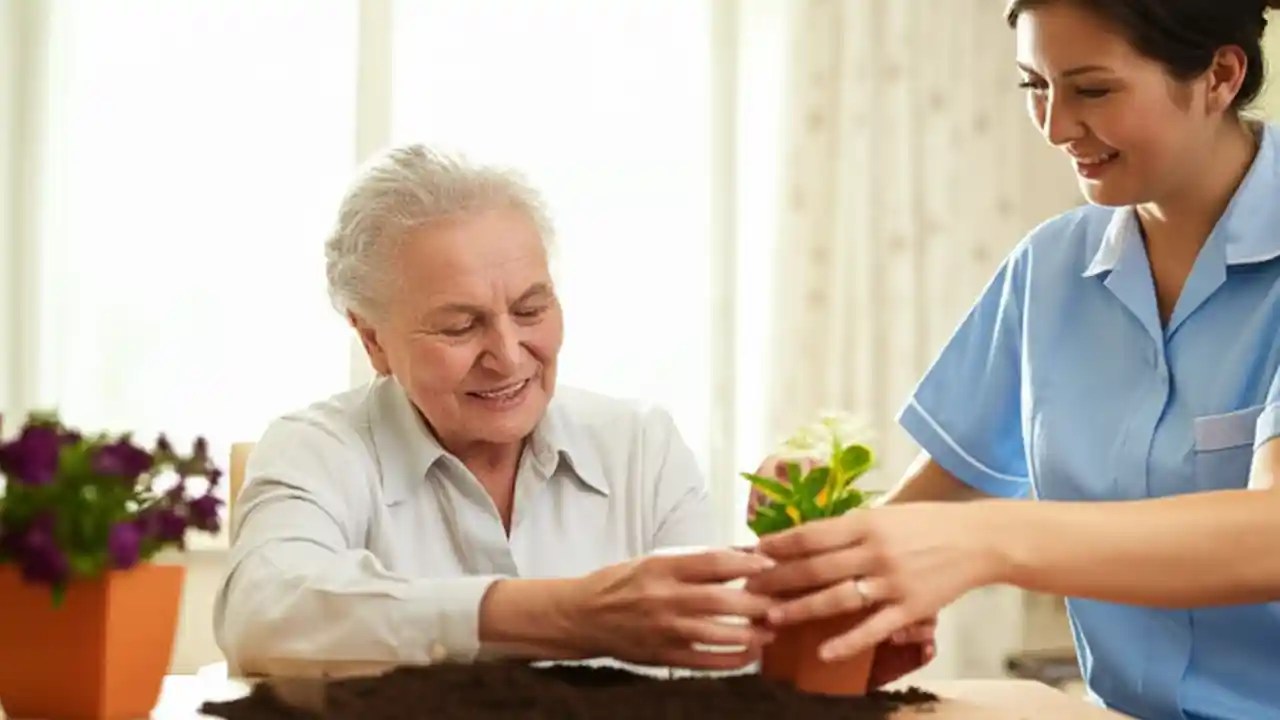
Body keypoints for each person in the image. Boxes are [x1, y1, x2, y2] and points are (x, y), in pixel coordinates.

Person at [746, 1, 1280, 718]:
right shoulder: (1049, 271)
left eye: (1092, 90)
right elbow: (941, 503)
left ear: (1219, 75)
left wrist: (986, 543)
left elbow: (1269, 537)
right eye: (1035, 86)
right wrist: (824, 538)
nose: (1057, 127)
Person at [212, 146, 780, 675]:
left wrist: (794, 558)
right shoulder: (316, 448)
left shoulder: (641, 448)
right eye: (460, 326)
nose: (508, 357)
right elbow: (263, 609)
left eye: (531, 310)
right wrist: (569, 614)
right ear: (373, 340)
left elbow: (721, 664)